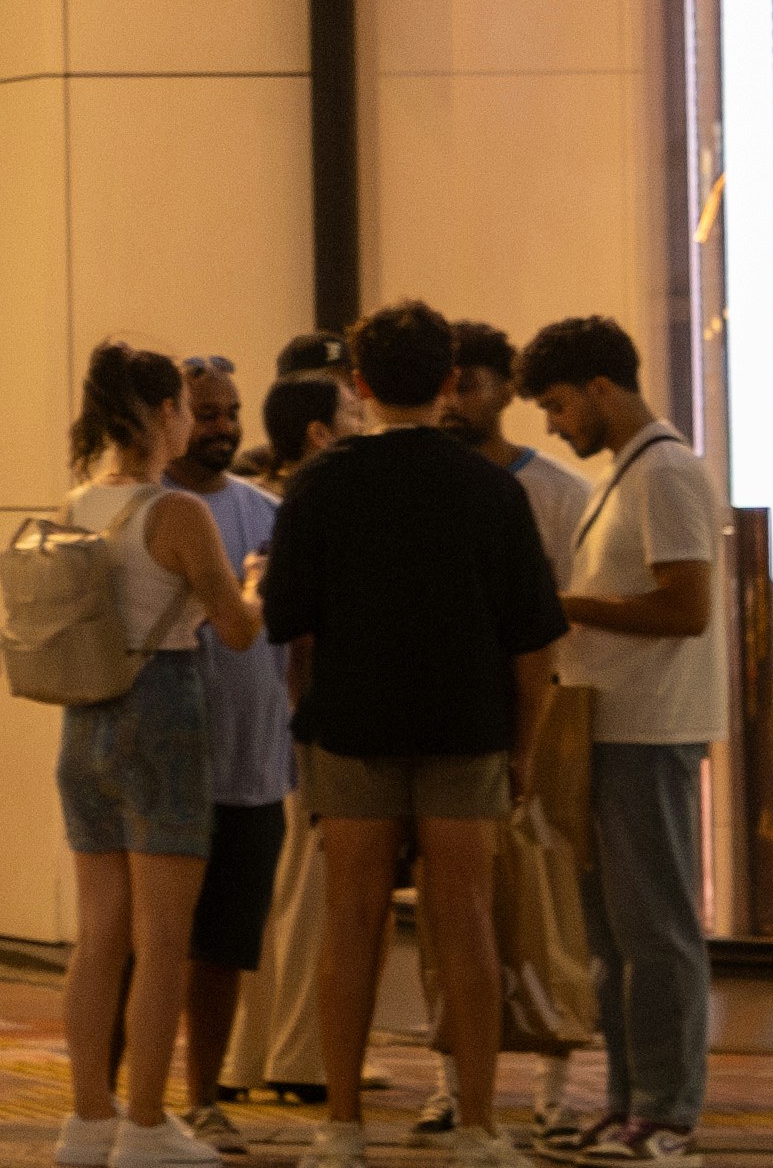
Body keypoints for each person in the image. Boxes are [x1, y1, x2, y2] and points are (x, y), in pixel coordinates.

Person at [260, 301, 561, 1168]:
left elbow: (288, 622)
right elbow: (533, 637)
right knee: (464, 918)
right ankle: (477, 1128)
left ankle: (343, 1126)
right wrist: (527, 744)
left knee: (350, 919)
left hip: (350, 727)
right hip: (468, 728)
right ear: (448, 383)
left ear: (359, 384)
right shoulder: (491, 488)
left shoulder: (321, 481)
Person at [43, 345, 266, 1168]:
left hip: (85, 719)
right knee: (165, 935)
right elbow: (237, 631)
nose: (191, 419)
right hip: (164, 715)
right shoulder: (176, 514)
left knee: (99, 932)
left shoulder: (78, 505)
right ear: (159, 415)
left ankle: (87, 1119)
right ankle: (146, 1124)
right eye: (182, 406)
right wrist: (256, 584)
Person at [515, 317, 717, 1165]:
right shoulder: (625, 475)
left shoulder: (665, 472)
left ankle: (668, 1114)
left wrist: (571, 606)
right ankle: (629, 1101)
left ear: (602, 388)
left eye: (560, 406)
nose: (556, 426)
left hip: (650, 732)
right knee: (611, 939)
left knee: (657, 932)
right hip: (609, 728)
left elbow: (688, 609)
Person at [433, 321, 594, 1144]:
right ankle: (454, 1078)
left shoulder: (558, 492)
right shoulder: (424, 482)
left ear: (504, 390)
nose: (456, 401)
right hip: (452, 719)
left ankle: (557, 1081)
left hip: (544, 711)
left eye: (472, 384)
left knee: (549, 896)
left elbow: (566, 618)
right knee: (451, 905)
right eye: (446, 384)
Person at [169, 360, 291, 1142]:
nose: (222, 426)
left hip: (254, 768)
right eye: (206, 413)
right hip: (170, 767)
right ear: (173, 419)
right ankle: (117, 1097)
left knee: (223, 950)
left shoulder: (271, 514)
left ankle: (202, 1096)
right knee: (144, 946)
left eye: (232, 412)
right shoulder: (152, 512)